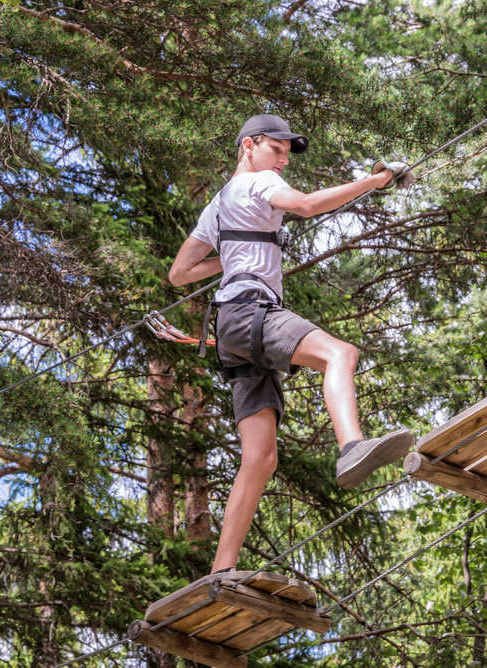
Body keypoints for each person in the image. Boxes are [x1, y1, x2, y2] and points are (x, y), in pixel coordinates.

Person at [168, 114, 413, 574]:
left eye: (286, 153)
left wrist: (236, 255)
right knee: (341, 354)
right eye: (276, 149)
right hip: (250, 313)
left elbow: (179, 273)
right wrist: (377, 180)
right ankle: (352, 447)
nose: (283, 160)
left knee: (260, 459)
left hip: (231, 334)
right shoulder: (258, 183)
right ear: (249, 147)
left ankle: (221, 571)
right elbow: (304, 205)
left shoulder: (218, 204)